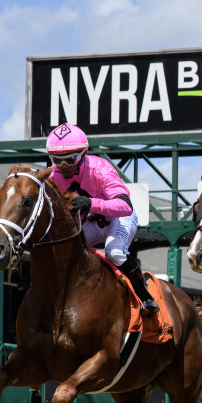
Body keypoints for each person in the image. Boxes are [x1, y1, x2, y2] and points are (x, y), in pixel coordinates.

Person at [45, 122, 158, 316]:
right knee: (65, 247)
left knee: (114, 252)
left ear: (84, 154)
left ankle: (145, 295)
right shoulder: (53, 177)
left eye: (70, 159)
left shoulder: (101, 169)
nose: (63, 167)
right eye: (57, 160)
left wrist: (90, 204)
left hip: (119, 218)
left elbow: (125, 206)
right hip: (93, 222)